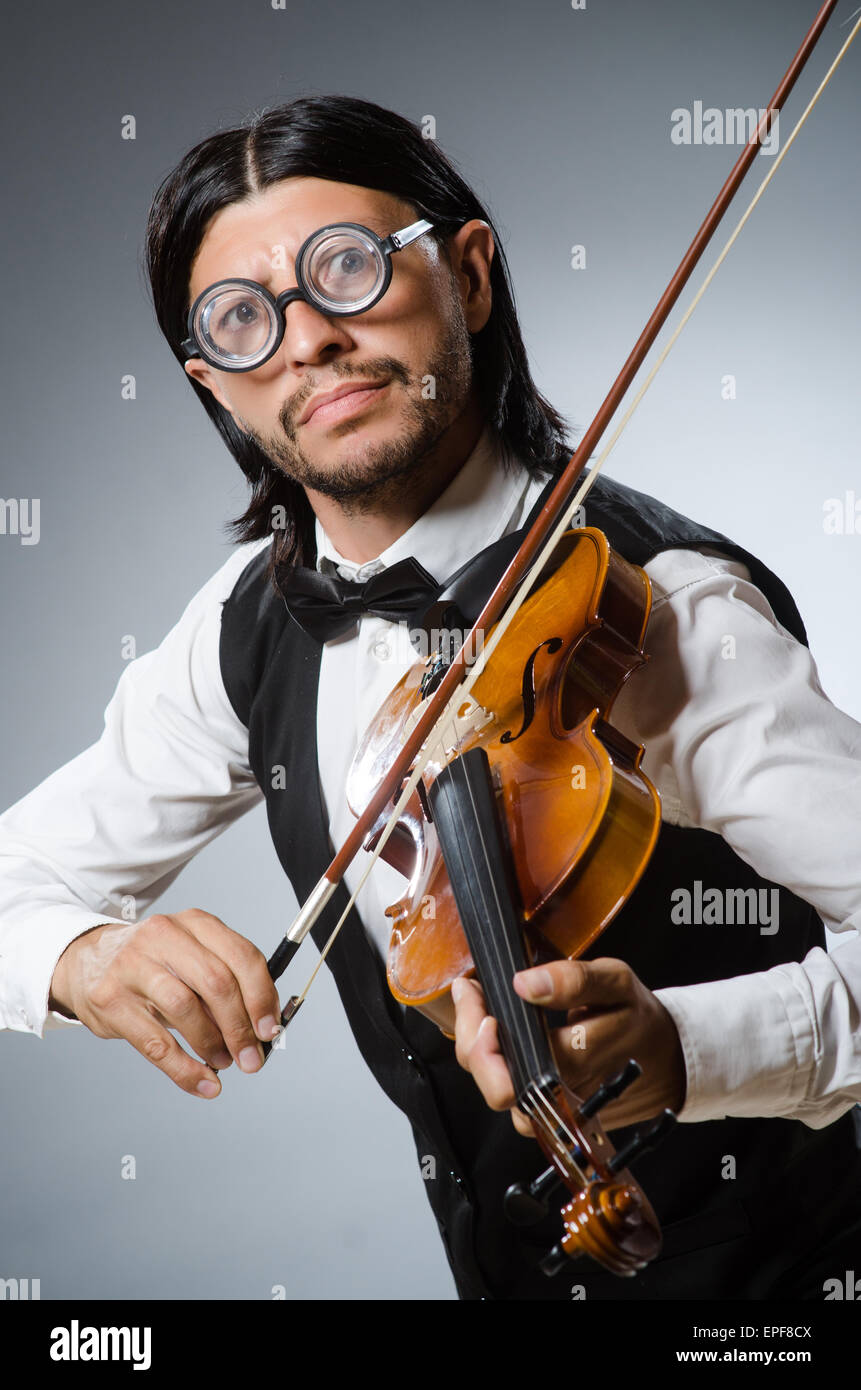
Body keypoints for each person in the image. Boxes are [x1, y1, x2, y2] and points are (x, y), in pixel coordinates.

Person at [1, 93, 860, 1301]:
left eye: (346, 268)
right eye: (243, 318)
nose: (305, 339)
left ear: (470, 272)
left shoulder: (659, 613)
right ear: (215, 386)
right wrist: (84, 959)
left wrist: (695, 1048)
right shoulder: (247, 626)